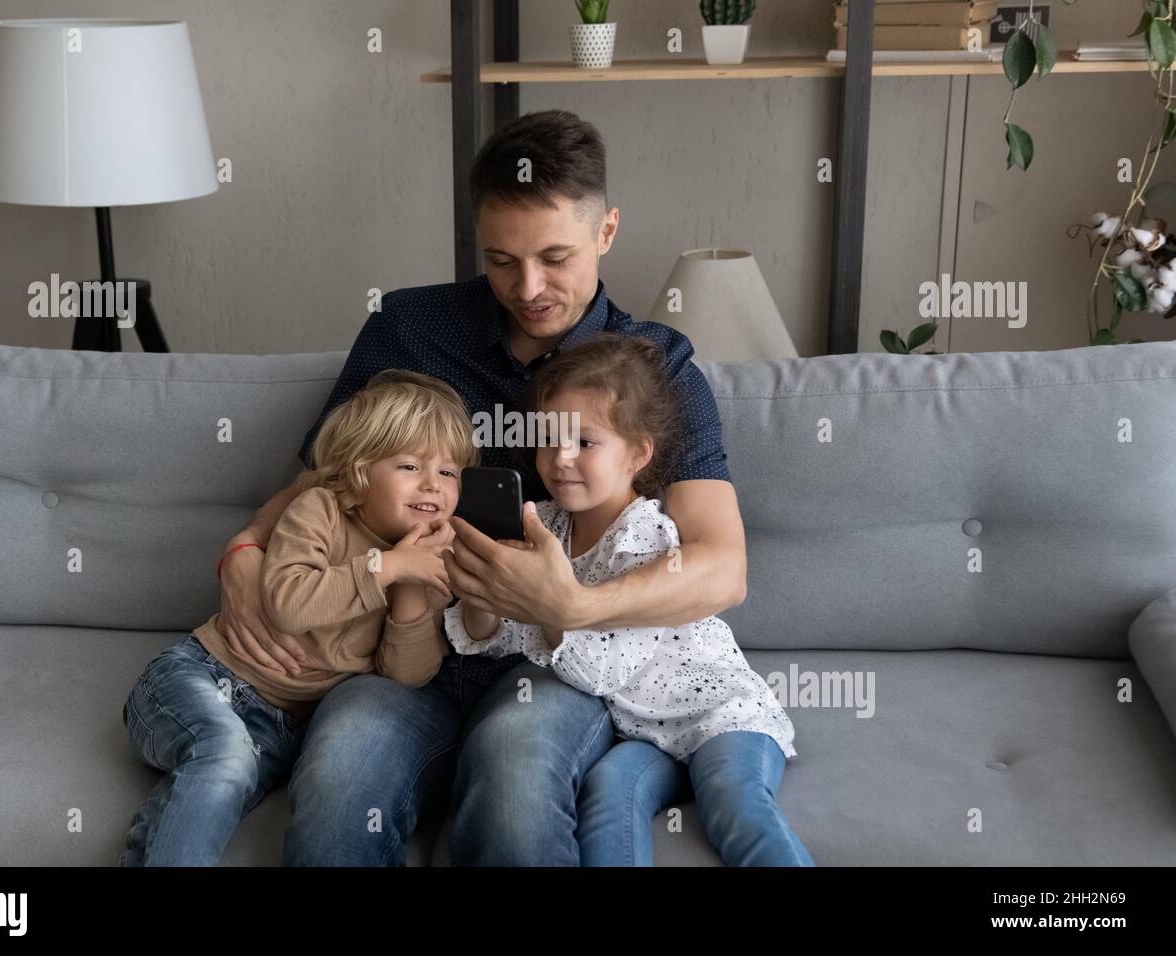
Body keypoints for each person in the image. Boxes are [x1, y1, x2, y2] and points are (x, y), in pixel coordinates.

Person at [218, 109, 752, 865]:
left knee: (515, 793)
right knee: (338, 783)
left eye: (555, 258)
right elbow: (322, 479)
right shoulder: (409, 328)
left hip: (553, 664)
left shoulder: (656, 369)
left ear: (606, 232)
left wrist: (576, 605)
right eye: (502, 261)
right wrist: (243, 548)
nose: (528, 288)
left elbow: (722, 565)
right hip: (397, 653)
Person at [445, 335, 814, 867]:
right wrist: (480, 588)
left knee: (736, 805)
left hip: (722, 715)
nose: (560, 459)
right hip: (644, 732)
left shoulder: (643, 535)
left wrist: (547, 602)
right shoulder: (544, 524)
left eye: (585, 443)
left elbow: (599, 670)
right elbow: (496, 636)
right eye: (548, 439)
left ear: (637, 454)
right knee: (608, 800)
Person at [119, 371, 472, 865]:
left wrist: (410, 593)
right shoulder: (320, 510)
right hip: (200, 677)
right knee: (224, 756)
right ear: (359, 472)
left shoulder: (427, 558)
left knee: (228, 773)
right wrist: (384, 568)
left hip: (279, 729)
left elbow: (402, 676)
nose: (433, 484)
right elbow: (290, 604)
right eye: (410, 465)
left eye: (450, 473)